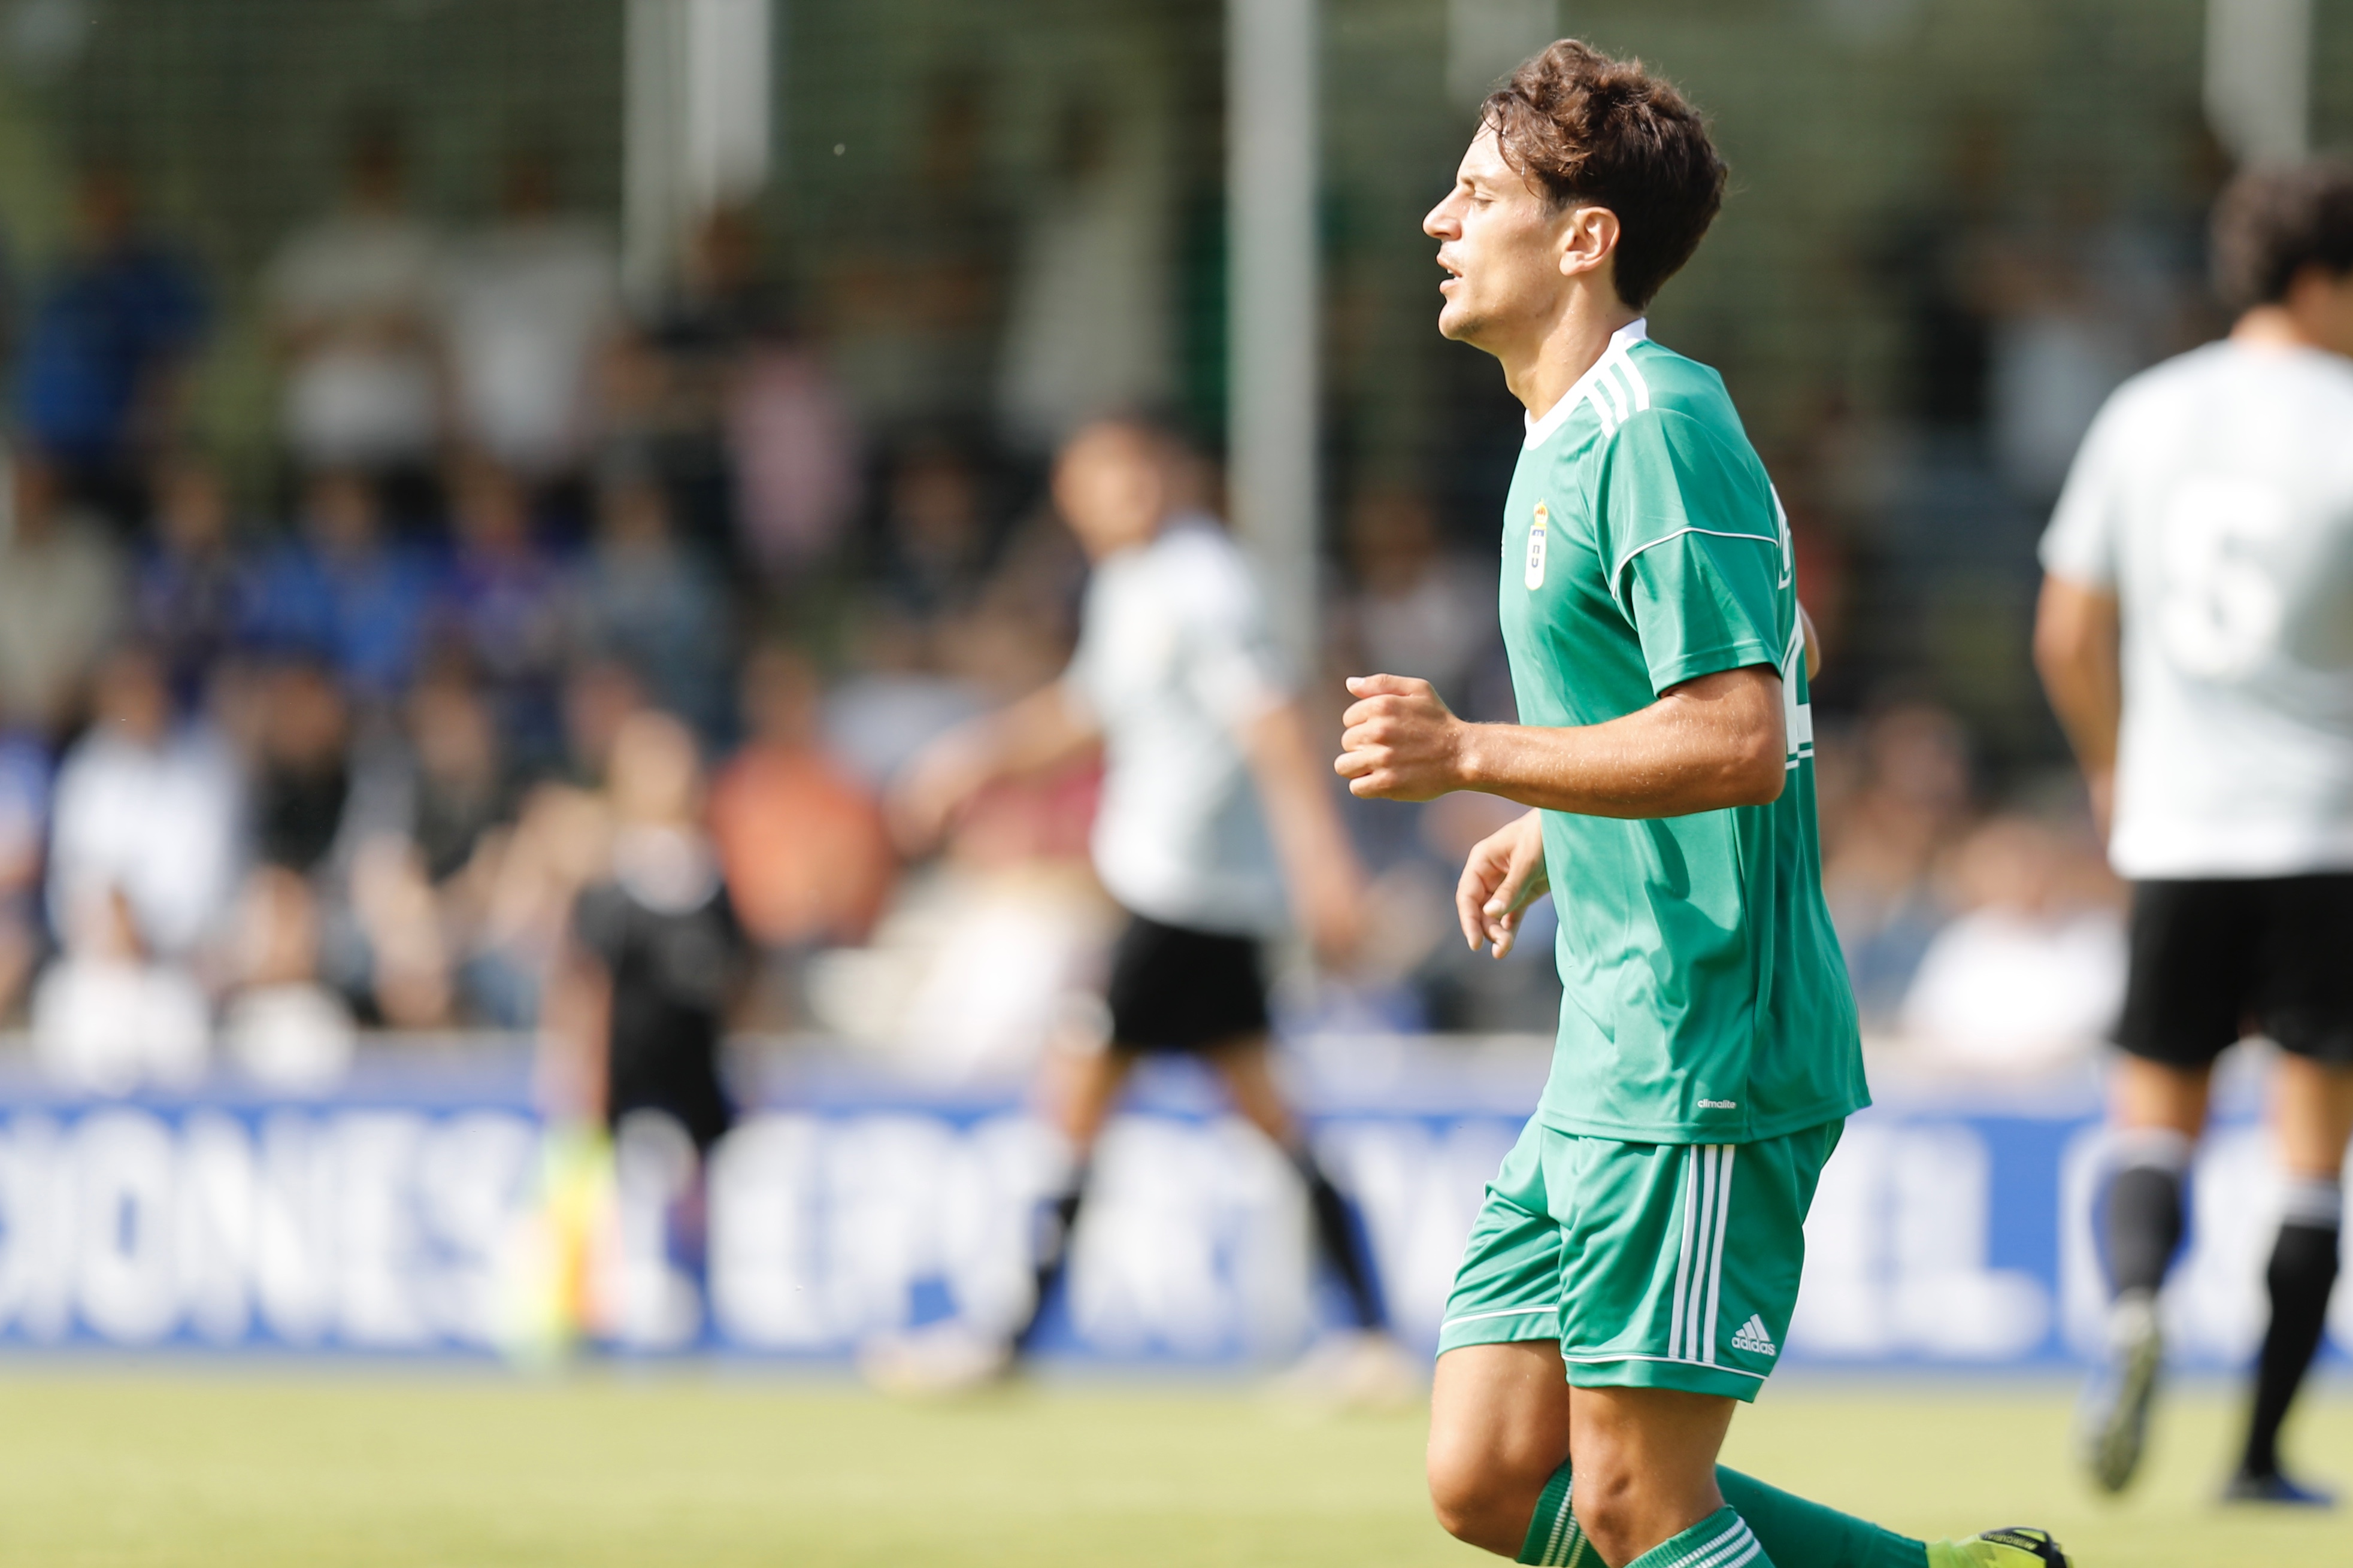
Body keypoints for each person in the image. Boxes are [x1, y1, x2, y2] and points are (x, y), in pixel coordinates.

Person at [1339, 42, 2066, 1568]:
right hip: (1614, 1041)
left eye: (1478, 193)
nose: (1437, 220)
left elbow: (1739, 731)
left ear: (1584, 236)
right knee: (1484, 1476)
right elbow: (1774, 648)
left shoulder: (1655, 423)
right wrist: (1563, 811)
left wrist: (1482, 753)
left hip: (1704, 1041)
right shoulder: (1564, 436)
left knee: (1631, 1503)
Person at [885, 415, 1400, 1390]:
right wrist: (973, 761)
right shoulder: (1132, 587)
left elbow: (1273, 727)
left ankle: (1000, 1337)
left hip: (1181, 894)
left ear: (1166, 475)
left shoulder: (1204, 583)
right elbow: (1087, 712)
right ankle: (1371, 1335)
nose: (1101, 502)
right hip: (1188, 899)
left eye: (1121, 478)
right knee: (1264, 1111)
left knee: (1076, 1096)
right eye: (1085, 486)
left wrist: (1324, 869)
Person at [2034, 160, 2353, 1507]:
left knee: (2156, 1102)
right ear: (2329, 282)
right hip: (2329, 827)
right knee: (2309, 1140)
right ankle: (2261, 1452)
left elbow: (2066, 630)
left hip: (2176, 827)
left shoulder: (2144, 413)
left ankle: (2131, 1306)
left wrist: (2116, 769)